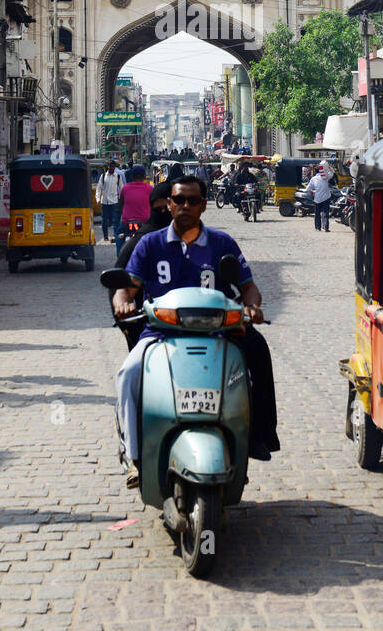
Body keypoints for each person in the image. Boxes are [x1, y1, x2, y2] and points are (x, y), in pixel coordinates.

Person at [112, 176, 279, 486]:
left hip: (217, 331)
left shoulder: (222, 244)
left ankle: (259, 435)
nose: (185, 206)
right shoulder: (150, 244)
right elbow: (127, 289)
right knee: (127, 374)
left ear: (204, 205)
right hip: (160, 333)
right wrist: (122, 302)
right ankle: (133, 455)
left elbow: (249, 287)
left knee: (256, 354)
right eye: (179, 200)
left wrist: (251, 307)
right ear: (169, 205)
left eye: (192, 201)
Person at [111, 180, 173, 351]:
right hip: (153, 331)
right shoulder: (144, 244)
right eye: (157, 209)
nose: (163, 213)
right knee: (130, 373)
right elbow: (119, 287)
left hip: (197, 330)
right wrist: (129, 322)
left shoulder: (206, 242)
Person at [96, 159, 124, 243]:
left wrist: (122, 201)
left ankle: (115, 236)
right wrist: (97, 198)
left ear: (114, 167)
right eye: (109, 166)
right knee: (104, 221)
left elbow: (122, 189)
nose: (111, 167)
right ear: (107, 166)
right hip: (104, 202)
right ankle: (105, 236)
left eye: (112, 166)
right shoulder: (103, 176)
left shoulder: (118, 177)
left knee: (115, 221)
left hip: (114, 202)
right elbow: (99, 188)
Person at [304, 165, 332, 232]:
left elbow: (307, 189)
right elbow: (332, 173)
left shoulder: (313, 179)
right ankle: (326, 226)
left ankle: (317, 227)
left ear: (314, 171)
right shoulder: (326, 177)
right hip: (326, 197)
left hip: (317, 198)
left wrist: (312, 192)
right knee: (325, 212)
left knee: (317, 213)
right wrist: (329, 167)